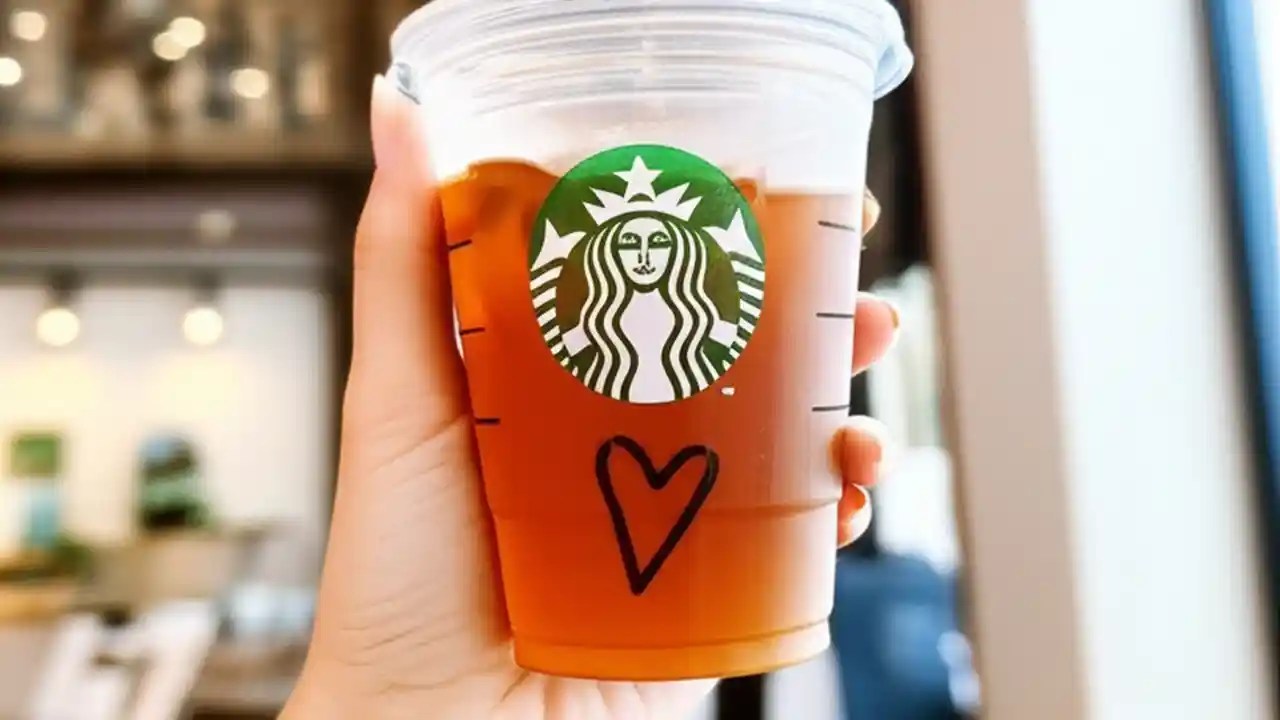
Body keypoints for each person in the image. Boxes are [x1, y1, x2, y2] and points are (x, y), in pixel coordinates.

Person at [283, 76, 902, 719]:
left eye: (658, 240)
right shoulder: (583, 317)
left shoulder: (703, 320)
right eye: (628, 240)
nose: (642, 254)